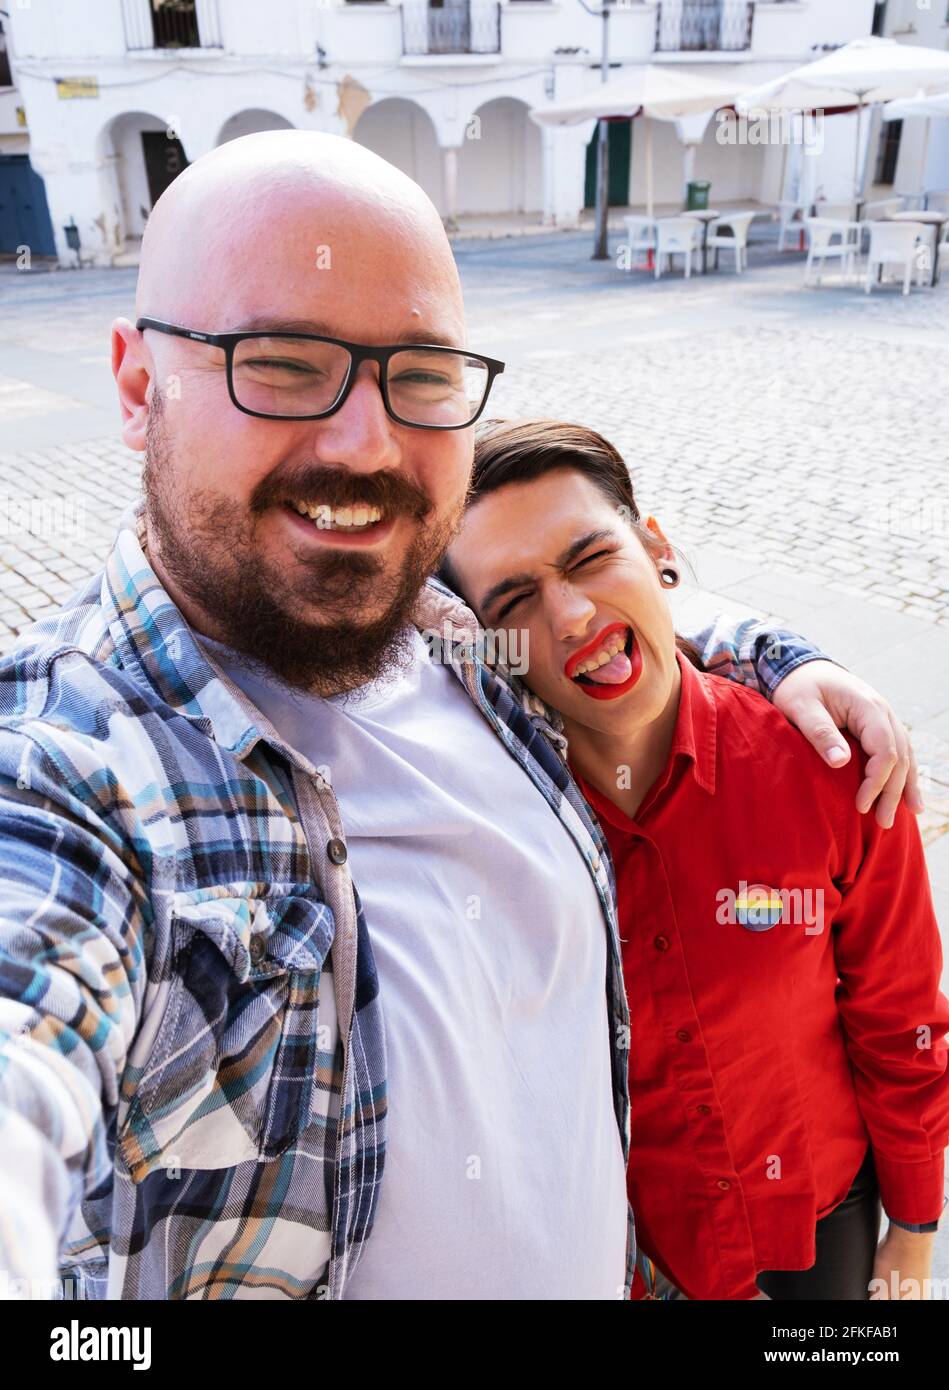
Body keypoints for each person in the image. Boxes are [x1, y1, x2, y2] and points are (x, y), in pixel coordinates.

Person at [0, 132, 924, 1302]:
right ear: (139, 386)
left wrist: (773, 651)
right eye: (281, 362)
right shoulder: (76, 774)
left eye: (421, 374)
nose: (364, 444)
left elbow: (596, 606)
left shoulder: (453, 631)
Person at [442, 418, 949, 1302]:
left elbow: (900, 1020)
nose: (569, 616)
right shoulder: (491, 842)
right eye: (513, 600)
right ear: (486, 646)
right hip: (629, 1262)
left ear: (657, 549)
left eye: (589, 557)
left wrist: (911, 1233)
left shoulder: (831, 769)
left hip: (822, 1230)